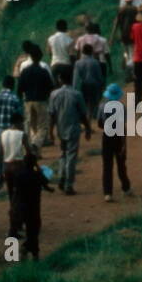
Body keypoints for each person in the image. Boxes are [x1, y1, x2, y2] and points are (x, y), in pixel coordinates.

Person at [48, 65, 92, 195]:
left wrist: (51, 131)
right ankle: (68, 184)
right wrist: (88, 128)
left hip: (60, 129)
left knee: (63, 153)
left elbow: (52, 115)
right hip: (73, 128)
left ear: (60, 78)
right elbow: (83, 114)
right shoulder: (77, 94)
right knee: (71, 156)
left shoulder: (54, 94)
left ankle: (62, 175)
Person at [9, 152, 54, 260]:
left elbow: (15, 191)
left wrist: (13, 206)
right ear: (35, 163)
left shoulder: (19, 175)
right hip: (33, 207)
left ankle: (13, 254)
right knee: (33, 230)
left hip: (20, 206)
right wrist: (38, 169)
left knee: (15, 230)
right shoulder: (36, 175)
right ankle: (32, 251)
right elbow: (46, 182)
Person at [98, 85, 132, 203]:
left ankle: (108, 193)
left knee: (107, 166)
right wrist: (124, 144)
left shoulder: (102, 106)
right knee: (121, 165)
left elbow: (99, 124)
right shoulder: (122, 107)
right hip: (118, 137)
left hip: (107, 137)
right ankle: (126, 187)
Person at [17, 41, 53, 150]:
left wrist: (21, 100)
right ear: (40, 56)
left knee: (32, 126)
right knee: (43, 126)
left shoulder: (25, 71)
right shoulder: (43, 71)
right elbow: (50, 87)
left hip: (28, 100)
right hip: (41, 100)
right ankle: (36, 144)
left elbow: (20, 88)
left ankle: (35, 151)